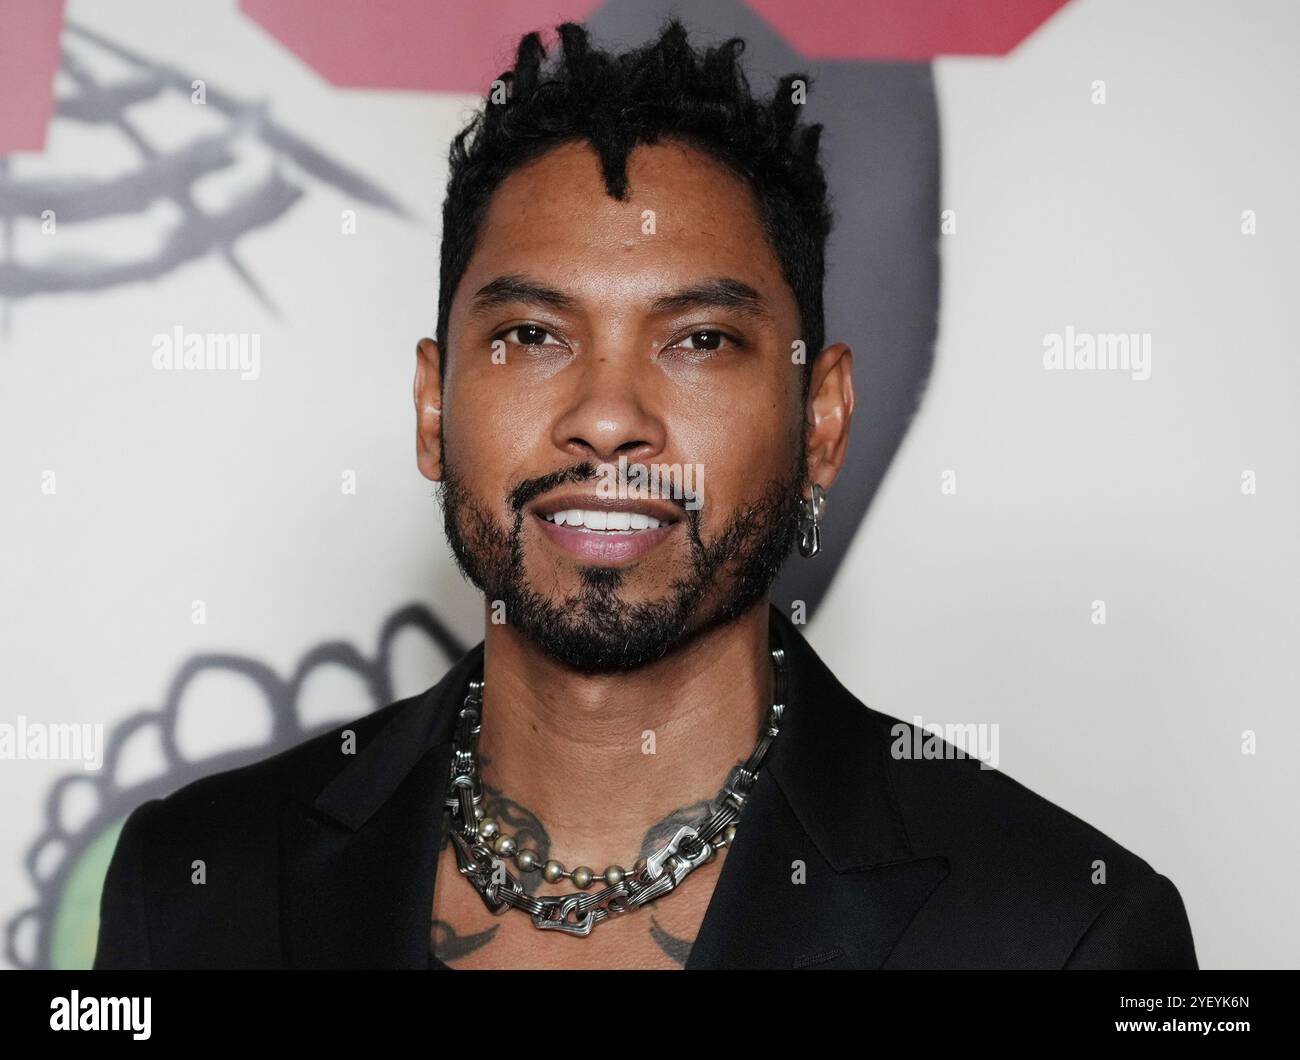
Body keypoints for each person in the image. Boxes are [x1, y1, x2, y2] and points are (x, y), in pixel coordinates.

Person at [94, 18, 1197, 970]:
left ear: (823, 420)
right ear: (433, 408)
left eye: (700, 340)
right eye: (531, 336)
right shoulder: (194, 887)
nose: (609, 414)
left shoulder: (1061, 930)